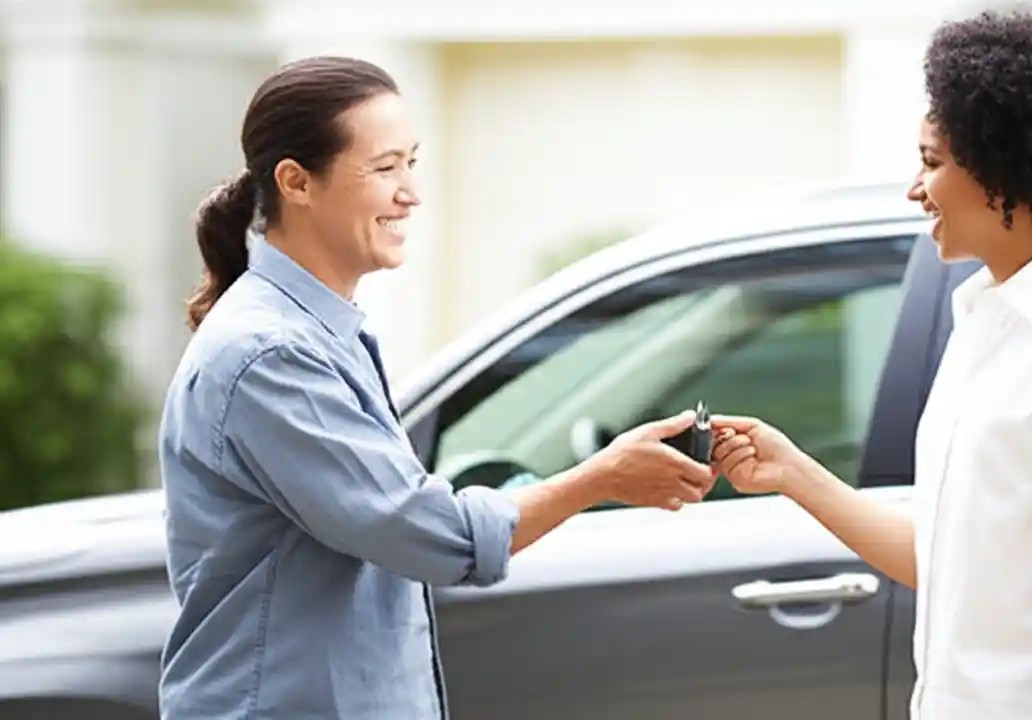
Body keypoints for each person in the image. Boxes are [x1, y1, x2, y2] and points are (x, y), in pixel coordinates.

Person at [156, 56, 716, 720]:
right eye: (384, 168)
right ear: (296, 182)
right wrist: (601, 478)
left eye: (412, 163)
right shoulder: (271, 354)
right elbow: (427, 532)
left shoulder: (318, 334)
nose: (411, 193)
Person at [712, 11, 1032, 720]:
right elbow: (947, 564)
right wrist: (791, 472)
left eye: (932, 161)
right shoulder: (982, 326)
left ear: (1002, 172)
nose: (916, 188)